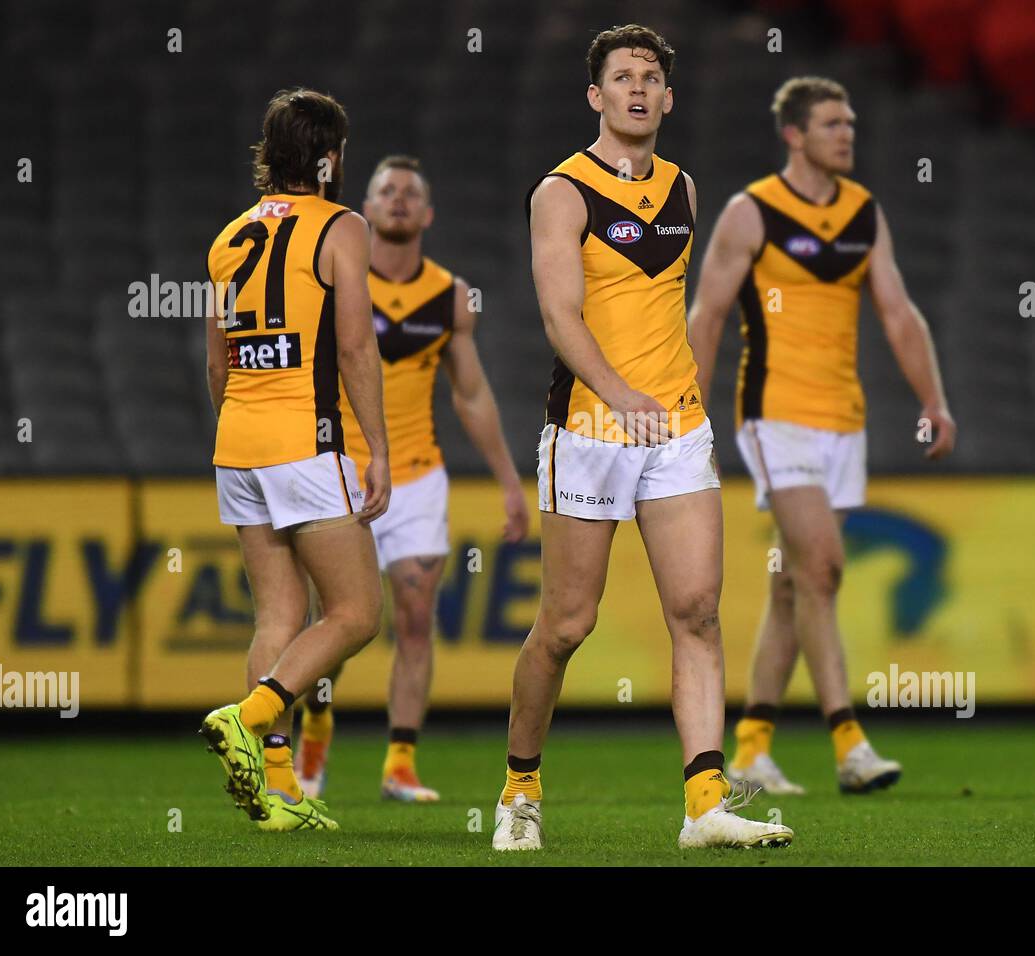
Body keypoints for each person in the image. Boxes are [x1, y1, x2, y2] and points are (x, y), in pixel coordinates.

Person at [492, 24, 794, 852]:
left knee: (697, 612)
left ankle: (705, 804)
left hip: (677, 430)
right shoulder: (562, 190)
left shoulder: (686, 190)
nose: (635, 88)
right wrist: (620, 393)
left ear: (667, 97)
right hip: (589, 427)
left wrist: (669, 398)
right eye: (620, 76)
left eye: (649, 77)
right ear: (596, 97)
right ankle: (520, 786)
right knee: (565, 625)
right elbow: (560, 315)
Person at [688, 76, 956, 796]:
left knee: (793, 585)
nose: (848, 134)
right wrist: (690, 410)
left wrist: (934, 399)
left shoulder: (864, 213)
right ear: (795, 135)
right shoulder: (752, 213)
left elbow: (899, 313)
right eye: (833, 124)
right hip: (774, 415)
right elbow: (707, 315)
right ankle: (849, 743)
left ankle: (749, 750)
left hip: (844, 421)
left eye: (852, 122)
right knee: (827, 567)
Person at [295, 155, 529, 803]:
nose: (397, 200)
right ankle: (317, 721)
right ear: (365, 209)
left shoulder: (449, 295)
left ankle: (399, 763)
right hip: (341, 470)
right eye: (385, 190)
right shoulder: (337, 282)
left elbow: (473, 395)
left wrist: (510, 481)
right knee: (337, 625)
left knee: (418, 617)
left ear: (427, 215)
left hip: (418, 474)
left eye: (410, 193)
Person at [200, 88, 390, 831]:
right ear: (330, 157)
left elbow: (216, 366)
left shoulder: (226, 238)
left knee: (279, 617)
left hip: (238, 444)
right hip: (306, 445)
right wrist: (375, 448)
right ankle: (248, 718)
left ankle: (278, 790)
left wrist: (242, 429)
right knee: (355, 612)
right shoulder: (342, 226)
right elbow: (353, 348)